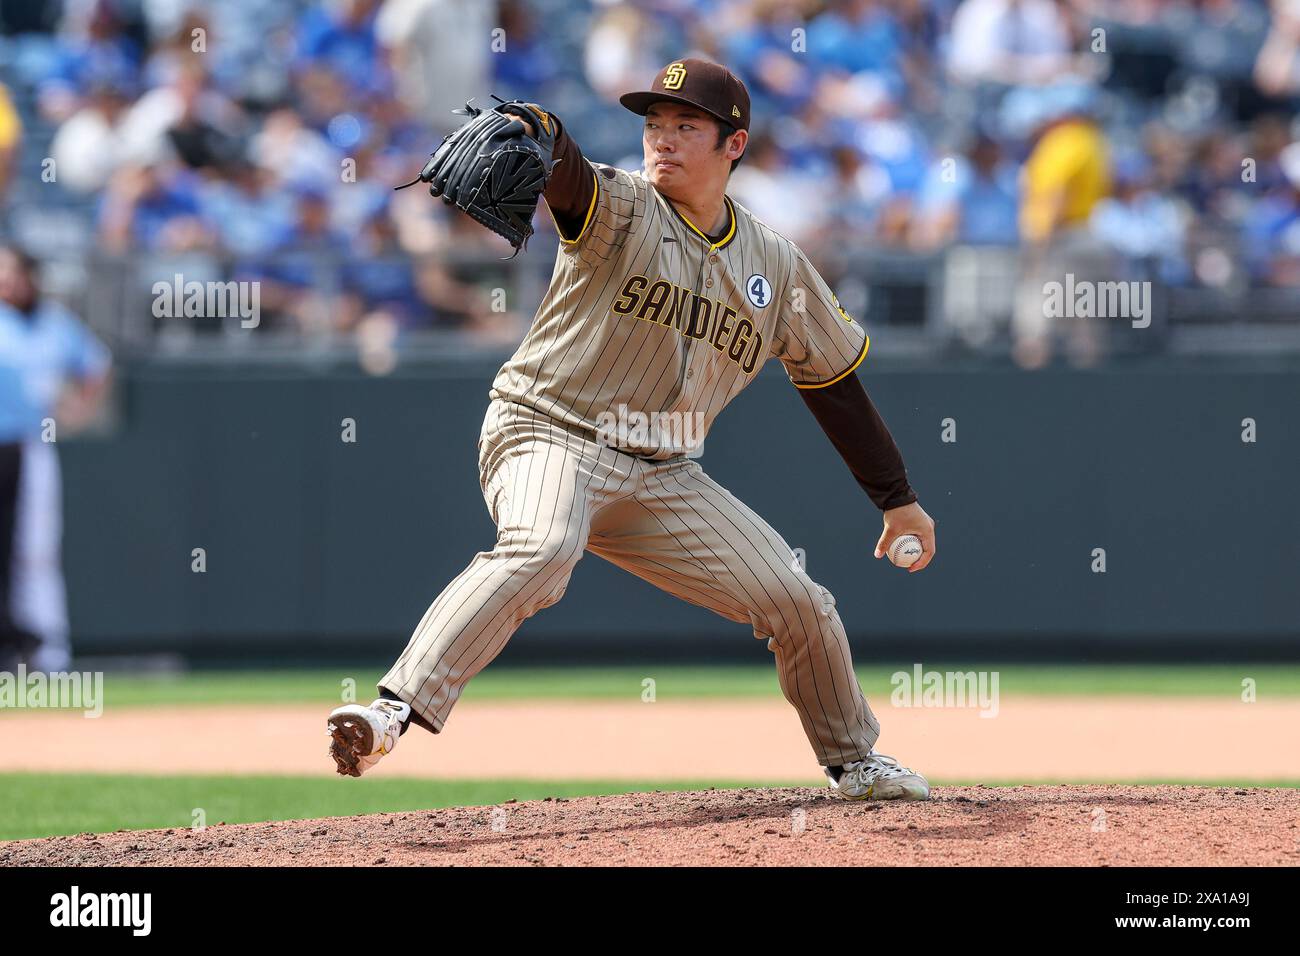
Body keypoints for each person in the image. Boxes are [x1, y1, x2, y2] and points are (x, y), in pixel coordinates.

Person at [327, 59, 937, 801]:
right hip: (548, 431)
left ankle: (855, 761)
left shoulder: (775, 265)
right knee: (544, 546)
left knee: (798, 601)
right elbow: (569, 174)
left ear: (733, 146)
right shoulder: (623, 206)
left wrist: (896, 497)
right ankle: (392, 710)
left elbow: (832, 384)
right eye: (654, 125)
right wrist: (542, 133)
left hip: (665, 474)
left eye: (687, 127)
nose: (664, 141)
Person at [0, 245, 112, 673]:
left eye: (13, 271)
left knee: (35, 549)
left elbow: (97, 365)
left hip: (28, 446)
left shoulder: (52, 323)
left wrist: (78, 411)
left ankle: (45, 652)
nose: (6, 280)